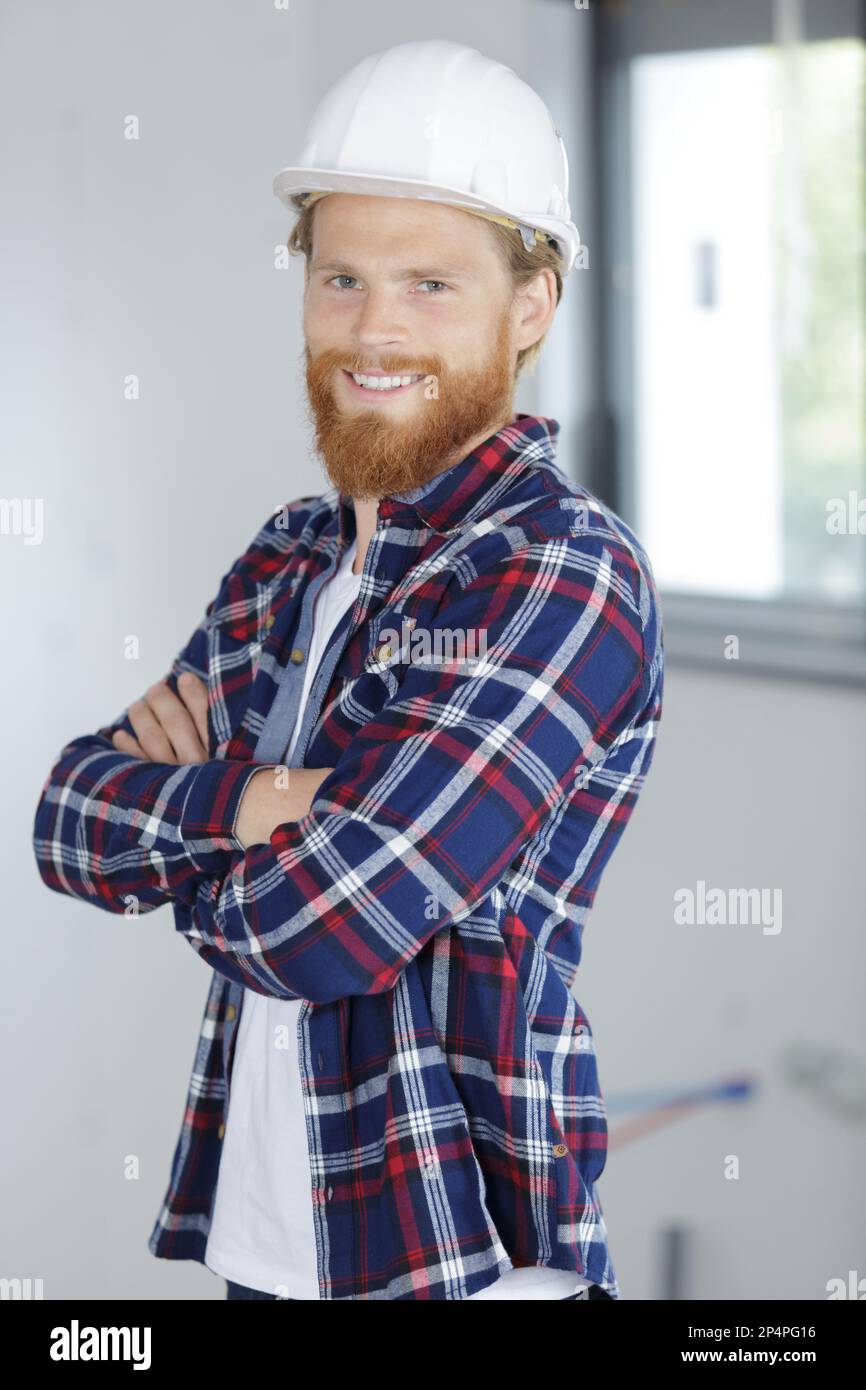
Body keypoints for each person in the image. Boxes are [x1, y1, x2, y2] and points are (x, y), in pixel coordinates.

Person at [32, 39, 663, 1301]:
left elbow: (326, 923)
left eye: (430, 283)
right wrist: (267, 804)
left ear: (528, 306)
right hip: (261, 1245)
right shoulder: (291, 552)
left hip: (456, 1261)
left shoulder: (560, 572)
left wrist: (198, 834)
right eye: (342, 278)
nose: (373, 328)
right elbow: (68, 823)